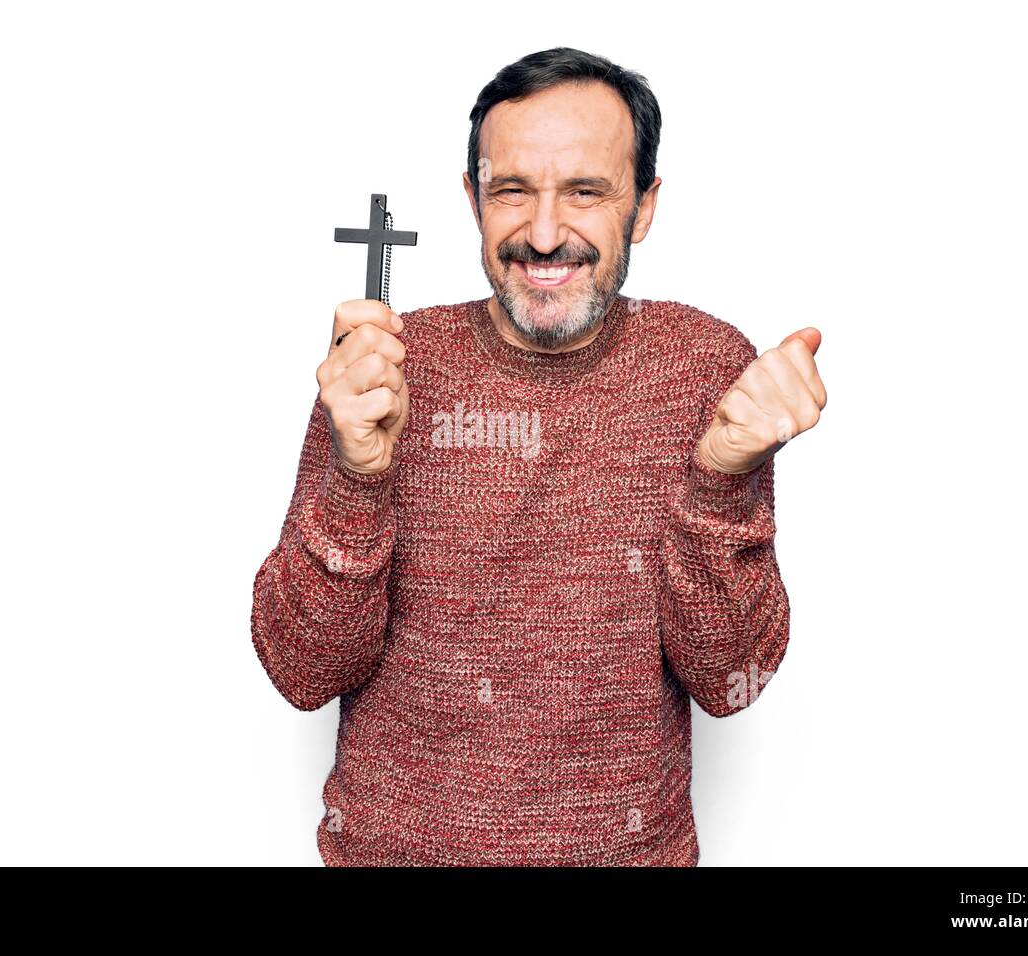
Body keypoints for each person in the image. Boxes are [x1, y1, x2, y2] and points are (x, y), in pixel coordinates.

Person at [250, 46, 827, 866]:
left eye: (586, 192)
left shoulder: (703, 367)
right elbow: (303, 672)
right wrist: (357, 479)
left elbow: (729, 675)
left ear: (645, 205)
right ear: (472, 197)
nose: (545, 234)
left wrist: (723, 483)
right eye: (512, 190)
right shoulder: (381, 366)